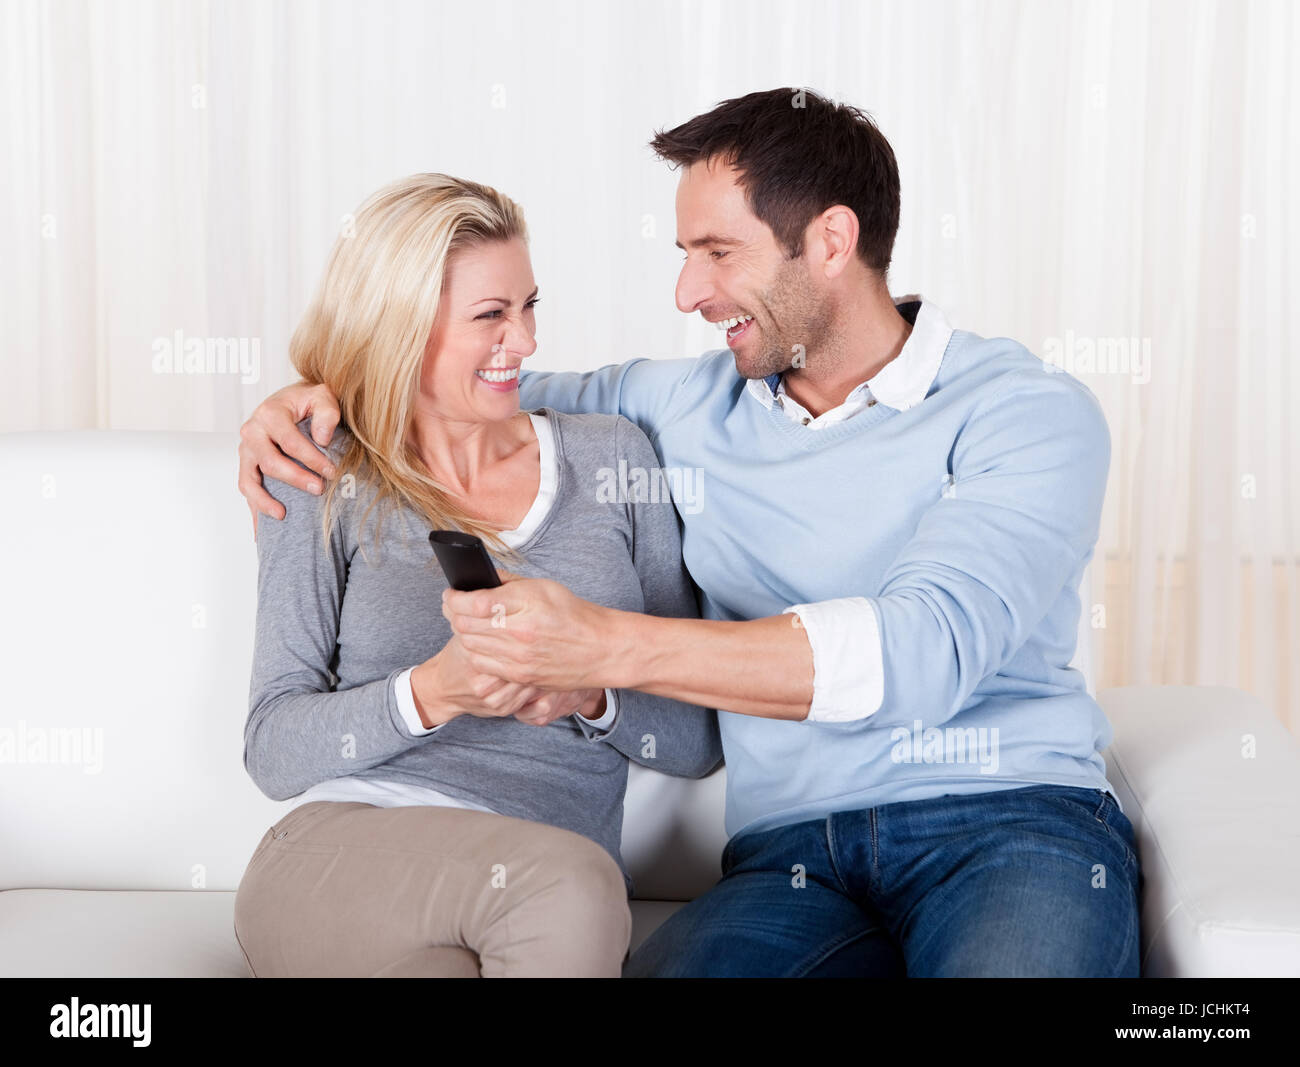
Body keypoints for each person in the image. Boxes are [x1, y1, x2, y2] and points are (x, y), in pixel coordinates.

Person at [236, 89, 1141, 978]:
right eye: (684, 254)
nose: (686, 292)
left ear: (831, 241)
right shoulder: (682, 406)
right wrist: (312, 402)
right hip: (793, 860)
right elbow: (465, 389)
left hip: (1009, 818)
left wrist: (598, 649)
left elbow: (919, 652)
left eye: (717, 253)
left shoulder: (1024, 411)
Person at [233, 173, 721, 979]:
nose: (525, 341)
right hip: (343, 859)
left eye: (529, 306)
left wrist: (588, 690)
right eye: (491, 315)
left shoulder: (613, 460)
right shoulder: (317, 470)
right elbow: (272, 749)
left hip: (536, 883)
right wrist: (437, 690)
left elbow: (696, 739)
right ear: (400, 327)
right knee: (572, 890)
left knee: (543, 904)